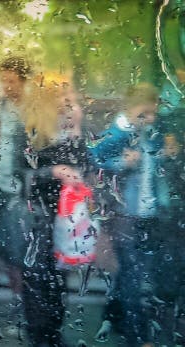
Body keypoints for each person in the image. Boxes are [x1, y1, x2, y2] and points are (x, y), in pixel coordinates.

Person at [89, 83, 172, 346]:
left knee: (128, 273)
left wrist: (166, 153)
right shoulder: (116, 133)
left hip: (146, 213)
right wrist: (121, 163)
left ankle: (113, 315)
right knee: (133, 276)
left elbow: (154, 161)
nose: (149, 119)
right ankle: (140, 338)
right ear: (131, 109)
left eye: (152, 114)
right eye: (144, 113)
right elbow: (93, 162)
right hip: (124, 216)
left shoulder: (148, 133)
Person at [17, 72, 89, 346]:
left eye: (71, 98)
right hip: (36, 214)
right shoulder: (32, 132)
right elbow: (21, 176)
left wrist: (78, 131)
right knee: (37, 277)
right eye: (63, 97)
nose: (69, 103)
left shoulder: (72, 131)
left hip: (65, 216)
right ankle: (39, 335)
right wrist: (53, 171)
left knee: (59, 277)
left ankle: (54, 332)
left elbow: (86, 169)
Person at [0, 57, 33, 296]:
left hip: (19, 190)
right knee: (0, 246)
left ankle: (21, 301)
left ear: (23, 81)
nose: (7, 85)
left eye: (12, 81)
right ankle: (14, 300)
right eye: (4, 80)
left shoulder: (32, 110)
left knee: (18, 248)